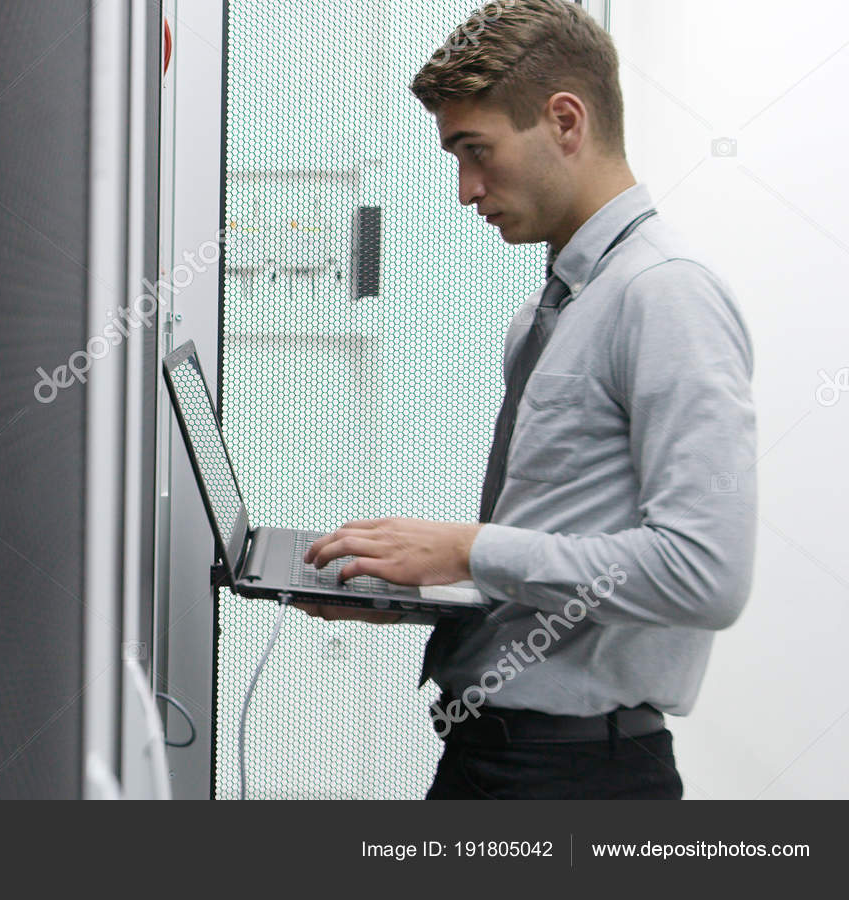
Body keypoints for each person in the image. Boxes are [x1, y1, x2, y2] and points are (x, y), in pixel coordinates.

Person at [297, 0, 757, 799]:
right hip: (499, 757)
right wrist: (425, 593)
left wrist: (468, 552)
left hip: (574, 776)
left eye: (477, 151)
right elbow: (560, 552)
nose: (467, 189)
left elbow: (704, 572)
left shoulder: (665, 296)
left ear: (565, 121)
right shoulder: (554, 312)